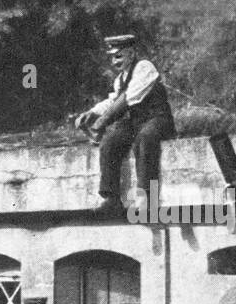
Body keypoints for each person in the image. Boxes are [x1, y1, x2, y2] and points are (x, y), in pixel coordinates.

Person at [73, 34, 176, 216]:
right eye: (112, 57)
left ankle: (147, 201)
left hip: (158, 119)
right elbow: (112, 100)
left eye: (119, 56)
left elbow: (128, 98)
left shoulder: (144, 68)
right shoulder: (120, 79)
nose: (114, 61)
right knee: (110, 140)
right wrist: (92, 113)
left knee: (145, 139)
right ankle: (111, 198)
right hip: (137, 123)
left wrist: (100, 123)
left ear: (131, 53)